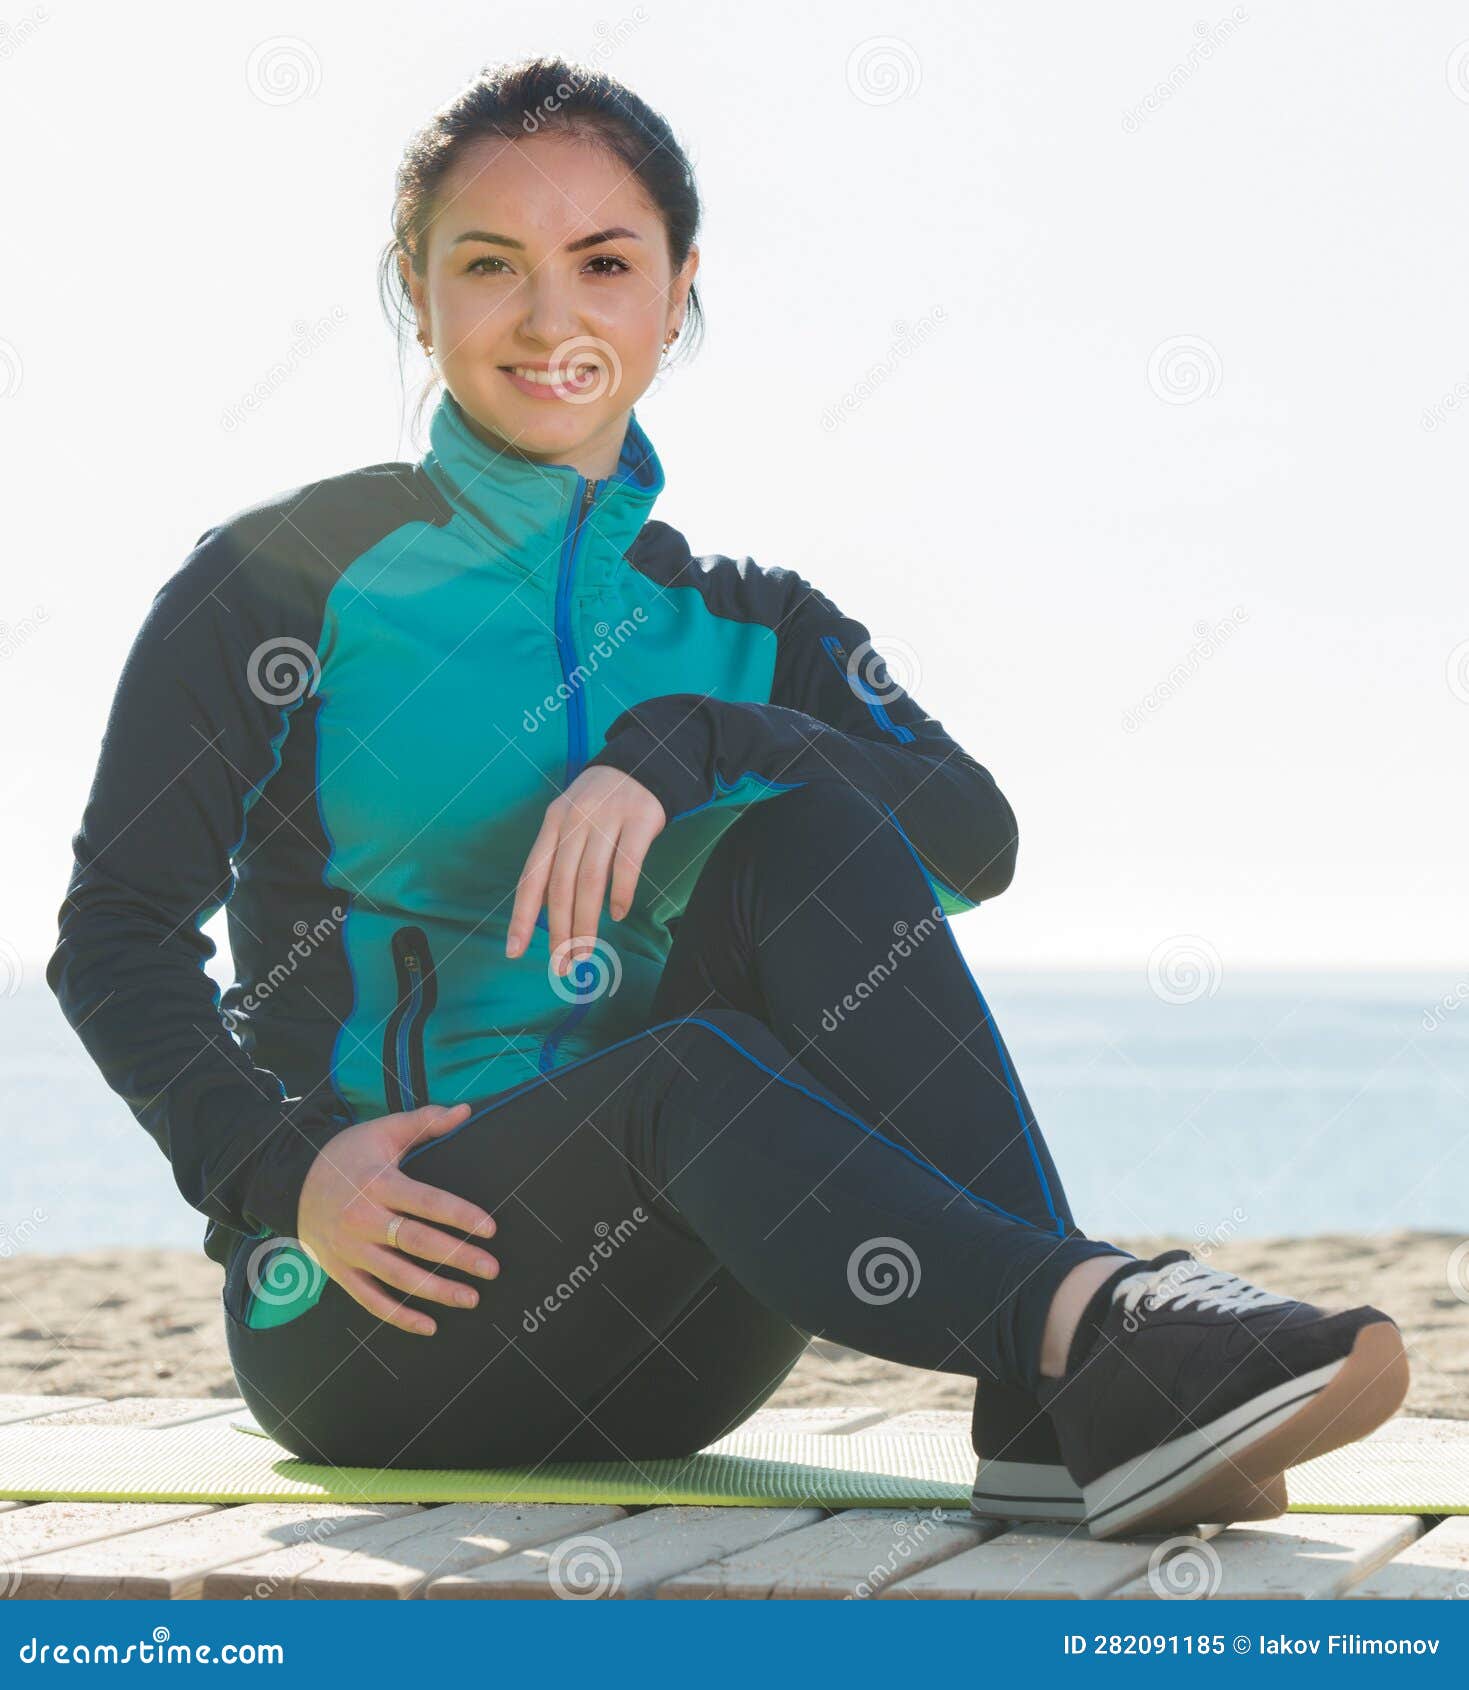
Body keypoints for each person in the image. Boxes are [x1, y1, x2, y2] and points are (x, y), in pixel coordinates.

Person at [45, 55, 1407, 1541]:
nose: (550, 317)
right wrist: (280, 1171)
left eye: (604, 264)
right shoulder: (282, 580)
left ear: (677, 292)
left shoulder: (755, 629)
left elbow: (971, 838)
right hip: (383, 1304)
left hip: (684, 1324)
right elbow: (114, 932)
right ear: (414, 291)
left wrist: (693, 738)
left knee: (808, 834)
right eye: (489, 265)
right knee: (684, 1062)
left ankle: (1036, 1403)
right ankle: (1089, 1324)